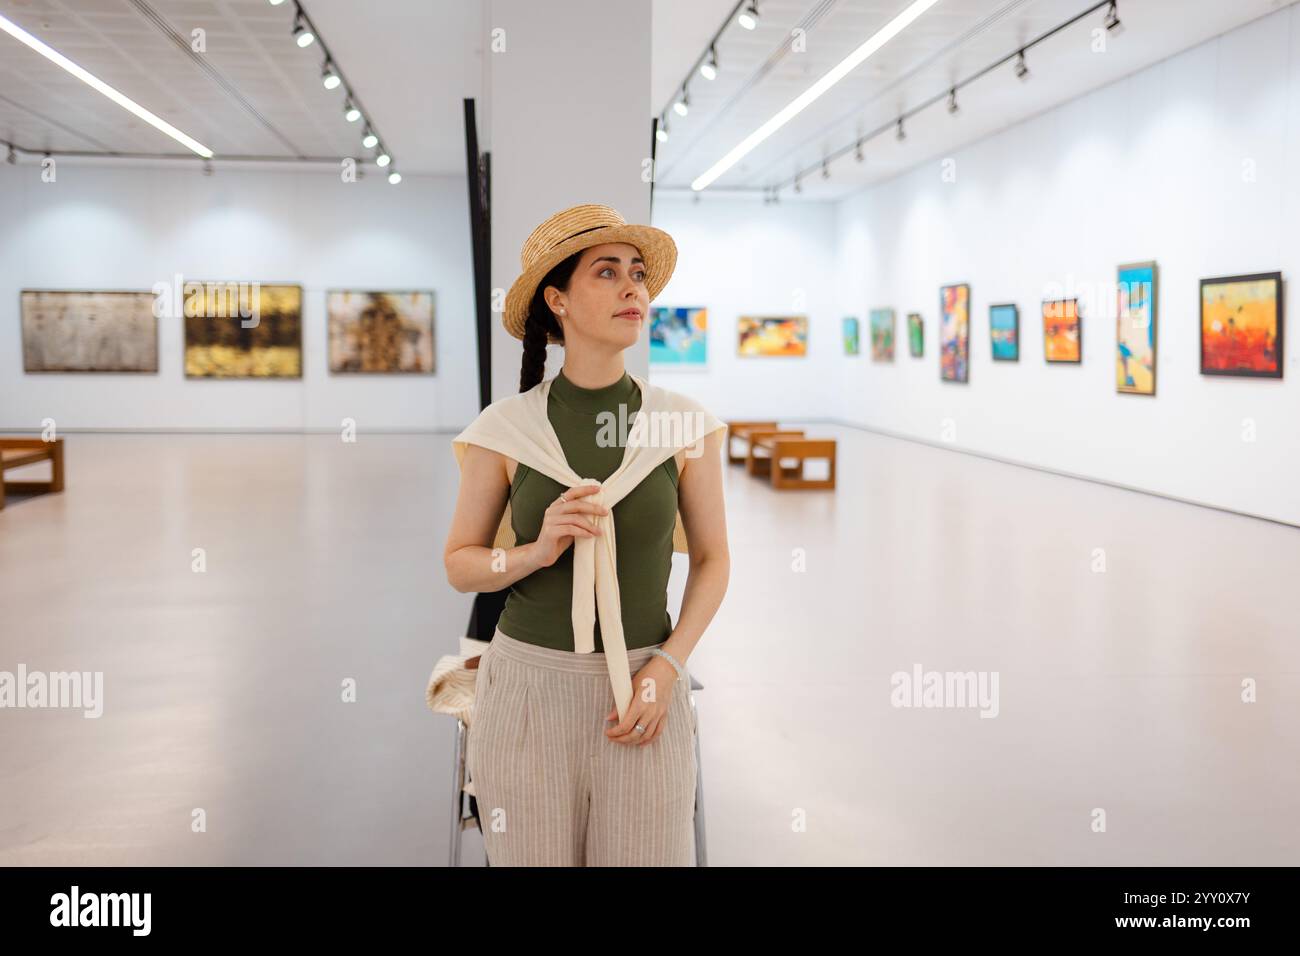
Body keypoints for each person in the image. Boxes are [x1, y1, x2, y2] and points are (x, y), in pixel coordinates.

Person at [443, 203, 729, 866]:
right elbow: (460, 565)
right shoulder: (506, 429)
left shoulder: (681, 426)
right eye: (608, 272)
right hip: (525, 695)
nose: (635, 288)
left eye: (638, 273)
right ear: (558, 300)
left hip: (643, 690)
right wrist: (532, 552)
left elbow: (714, 560)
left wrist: (668, 666)